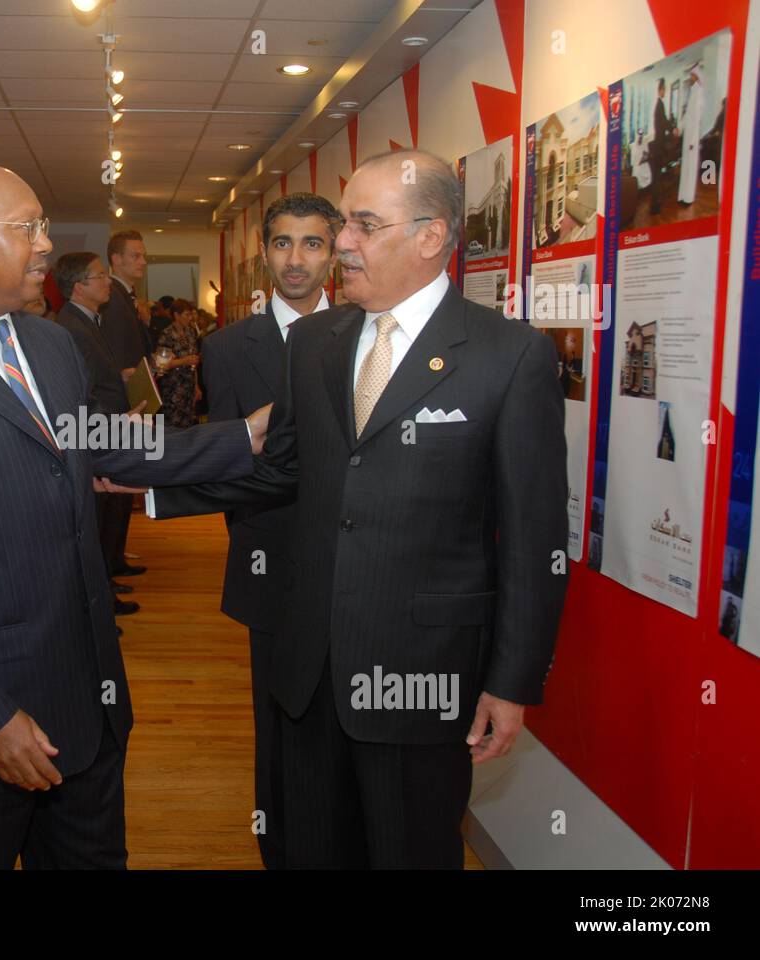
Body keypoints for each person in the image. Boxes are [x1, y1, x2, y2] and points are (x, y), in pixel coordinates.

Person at [0, 162, 264, 869]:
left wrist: (241, 437)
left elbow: (104, 446)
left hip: (87, 706)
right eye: (26, 227)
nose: (44, 244)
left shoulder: (49, 345)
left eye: (43, 226)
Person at [146, 149, 568, 868]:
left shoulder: (510, 355)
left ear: (432, 236)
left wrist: (511, 680)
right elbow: (281, 470)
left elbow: (534, 538)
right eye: (346, 224)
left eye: (364, 226)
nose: (341, 243)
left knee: (409, 849)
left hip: (422, 674)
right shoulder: (316, 342)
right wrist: (145, 480)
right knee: (309, 846)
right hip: (307, 662)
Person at [198, 190, 335, 868]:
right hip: (272, 566)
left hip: (363, 570)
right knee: (280, 730)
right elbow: (229, 473)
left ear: (335, 252)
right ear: (264, 255)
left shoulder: (371, 333)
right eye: (283, 243)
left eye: (313, 243)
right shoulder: (226, 349)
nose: (297, 259)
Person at [51, 251, 139, 618]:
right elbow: (78, 394)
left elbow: (93, 377)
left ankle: (106, 586)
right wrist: (115, 422)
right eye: (99, 277)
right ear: (78, 287)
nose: (107, 283)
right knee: (98, 522)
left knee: (107, 518)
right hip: (95, 433)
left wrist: (119, 379)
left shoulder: (87, 319)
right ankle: (100, 606)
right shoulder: (70, 326)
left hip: (106, 426)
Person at [100, 230, 154, 579]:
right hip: (122, 405)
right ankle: (109, 561)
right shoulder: (113, 297)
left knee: (122, 488)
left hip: (131, 403)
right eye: (135, 255)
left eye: (143, 255)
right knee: (115, 489)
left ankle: (115, 557)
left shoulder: (126, 296)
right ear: (116, 259)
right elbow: (118, 358)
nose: (142, 262)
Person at [155, 299, 201, 428]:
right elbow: (161, 364)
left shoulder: (190, 332)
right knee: (172, 425)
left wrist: (196, 386)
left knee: (188, 424)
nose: (190, 318)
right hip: (173, 388)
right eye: (187, 314)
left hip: (188, 386)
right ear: (176, 315)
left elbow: (194, 362)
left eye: (191, 314)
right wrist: (184, 361)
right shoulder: (167, 334)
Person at [678, 63, 704, 206]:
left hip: (692, 140)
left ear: (696, 75)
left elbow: (696, 120)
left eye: (692, 74)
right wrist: (681, 128)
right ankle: (683, 196)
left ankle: (688, 198)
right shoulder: (693, 91)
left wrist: (693, 141)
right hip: (687, 137)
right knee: (685, 168)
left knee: (691, 168)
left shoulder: (699, 93)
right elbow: (687, 116)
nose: (690, 77)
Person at [652, 78, 670, 215]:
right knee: (657, 178)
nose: (665, 92)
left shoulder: (659, 105)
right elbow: (664, 123)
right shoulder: (660, 105)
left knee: (657, 177)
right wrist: (672, 127)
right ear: (661, 90)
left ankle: (656, 204)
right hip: (658, 147)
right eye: (664, 89)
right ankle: (655, 206)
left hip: (658, 146)